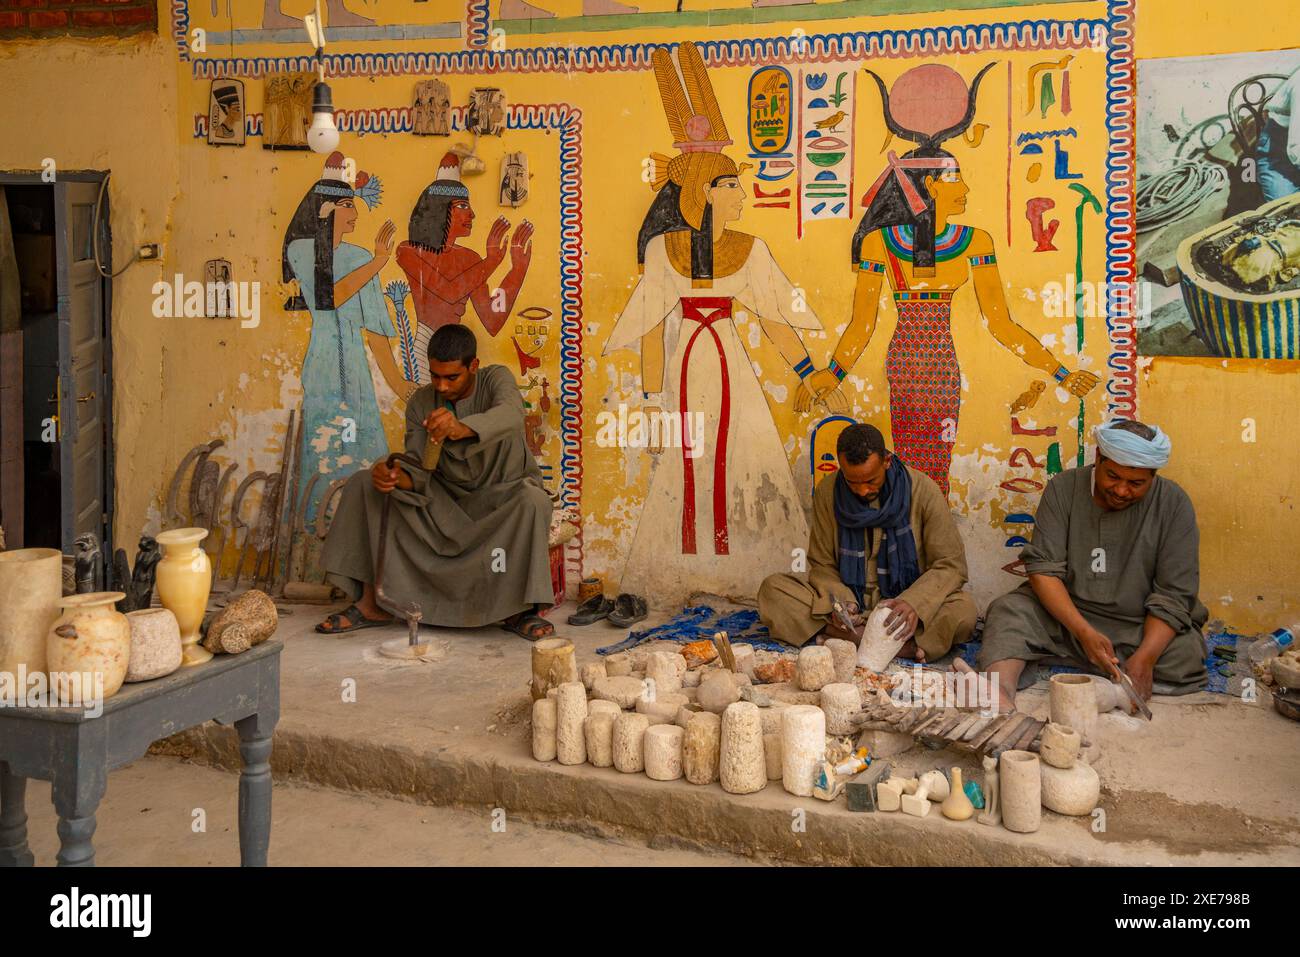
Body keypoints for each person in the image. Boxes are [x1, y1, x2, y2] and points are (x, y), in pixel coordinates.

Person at [603, 41, 842, 604]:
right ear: (705, 191)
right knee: (686, 459)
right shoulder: (665, 249)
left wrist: (810, 374)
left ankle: (752, 573)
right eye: (732, 185)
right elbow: (650, 326)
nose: (741, 194)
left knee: (744, 451)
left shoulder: (751, 249)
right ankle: (682, 573)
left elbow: (777, 319)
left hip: (728, 361)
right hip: (687, 362)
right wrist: (651, 398)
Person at [806, 65, 1099, 495]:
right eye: (953, 178)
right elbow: (861, 324)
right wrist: (833, 372)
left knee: (936, 474)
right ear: (925, 188)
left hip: (941, 367)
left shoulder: (975, 241)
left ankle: (933, 547)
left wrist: (1060, 372)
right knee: (904, 469)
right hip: (906, 365)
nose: (965, 187)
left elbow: (1001, 323)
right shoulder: (880, 243)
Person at [316, 324, 556, 641]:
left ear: (473, 367)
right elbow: (418, 470)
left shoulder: (496, 379)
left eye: (451, 377)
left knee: (534, 501)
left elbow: (511, 414)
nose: (441, 386)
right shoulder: (421, 403)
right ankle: (372, 603)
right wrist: (392, 476)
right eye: (435, 376)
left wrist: (462, 428)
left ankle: (518, 611)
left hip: (502, 499)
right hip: (444, 503)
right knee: (363, 483)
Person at [973, 419, 1208, 711]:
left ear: (1153, 476)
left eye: (1136, 483)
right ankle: (1000, 693)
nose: (1121, 490)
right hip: (1066, 618)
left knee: (1186, 651)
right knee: (1009, 613)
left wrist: (1146, 657)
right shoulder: (1064, 488)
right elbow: (1043, 571)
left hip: (1134, 625)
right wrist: (1084, 633)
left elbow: (1174, 595)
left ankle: (1111, 666)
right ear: (1098, 458)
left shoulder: (1173, 504)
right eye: (1113, 477)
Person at [758, 423, 976, 659]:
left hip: (900, 610)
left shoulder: (923, 491)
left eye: (871, 481)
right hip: (853, 610)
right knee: (774, 590)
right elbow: (821, 564)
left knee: (964, 610)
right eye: (852, 482)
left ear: (887, 461)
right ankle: (896, 648)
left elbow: (951, 565)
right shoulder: (828, 492)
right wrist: (842, 603)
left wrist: (914, 603)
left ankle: (842, 639)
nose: (862, 491)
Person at [283, 152, 416, 524]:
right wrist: (377, 262)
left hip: (357, 374)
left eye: (354, 204)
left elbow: (376, 330)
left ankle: (366, 545)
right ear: (324, 209)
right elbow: (328, 297)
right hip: (323, 372)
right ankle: (315, 545)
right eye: (345, 205)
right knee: (322, 462)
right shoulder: (300, 250)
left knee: (367, 463)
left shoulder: (359, 255)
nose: (355, 213)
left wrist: (400, 385)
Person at [396, 152, 533, 382]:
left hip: (459, 353)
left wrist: (516, 270)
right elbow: (448, 292)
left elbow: (492, 320)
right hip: (425, 350)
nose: (472, 214)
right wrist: (490, 262)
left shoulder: (470, 260)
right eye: (462, 206)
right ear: (440, 209)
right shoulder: (408, 250)